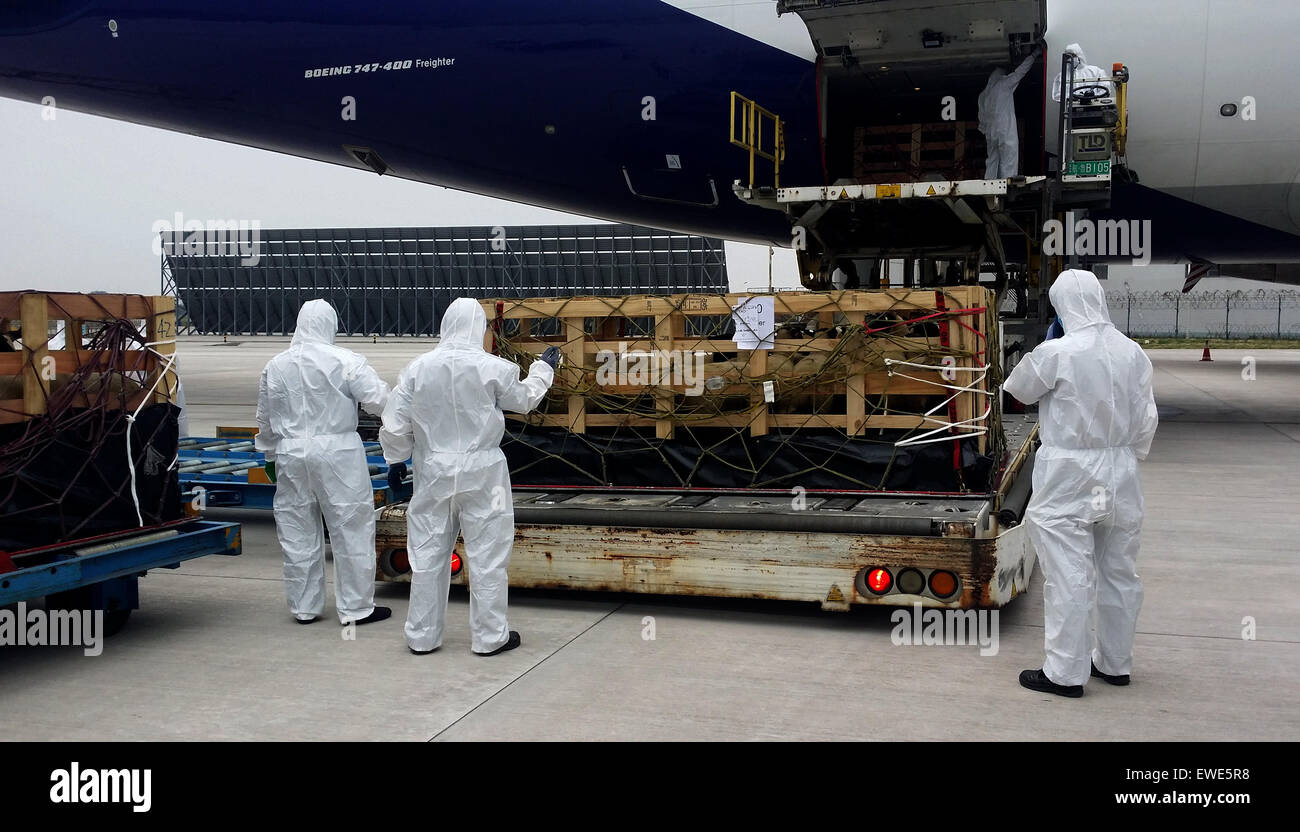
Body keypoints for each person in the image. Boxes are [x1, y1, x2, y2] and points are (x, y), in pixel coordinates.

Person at [1003, 269, 1159, 697]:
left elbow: (1018, 389)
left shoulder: (1058, 352)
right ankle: (1115, 663)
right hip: (1121, 471)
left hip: (1070, 472)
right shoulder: (1133, 353)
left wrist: (1046, 346)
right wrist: (1124, 456)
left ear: (1061, 306)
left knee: (1069, 574)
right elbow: (1147, 418)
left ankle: (1066, 673)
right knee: (1119, 572)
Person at [380, 298, 558, 656]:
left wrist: (396, 460)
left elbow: (395, 424)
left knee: (428, 554)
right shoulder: (494, 368)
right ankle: (490, 637)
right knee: (487, 556)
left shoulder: (417, 369)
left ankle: (422, 636)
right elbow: (524, 400)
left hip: (432, 471)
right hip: (483, 473)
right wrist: (544, 369)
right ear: (480, 327)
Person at [256, 300, 392, 626]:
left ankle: (304, 607)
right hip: (338, 451)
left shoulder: (275, 365)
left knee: (297, 528)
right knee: (350, 527)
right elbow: (380, 401)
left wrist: (271, 454)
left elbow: (265, 418)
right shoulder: (346, 361)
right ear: (331, 325)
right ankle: (356, 609)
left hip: (290, 453)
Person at [978, 45, 1041, 179]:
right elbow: (1020, 72)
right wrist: (1034, 55)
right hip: (1004, 128)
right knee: (1009, 154)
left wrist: (986, 131)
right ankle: (1008, 182)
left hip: (990, 131)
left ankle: (989, 181)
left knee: (992, 158)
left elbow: (981, 117)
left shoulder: (984, 94)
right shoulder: (1003, 84)